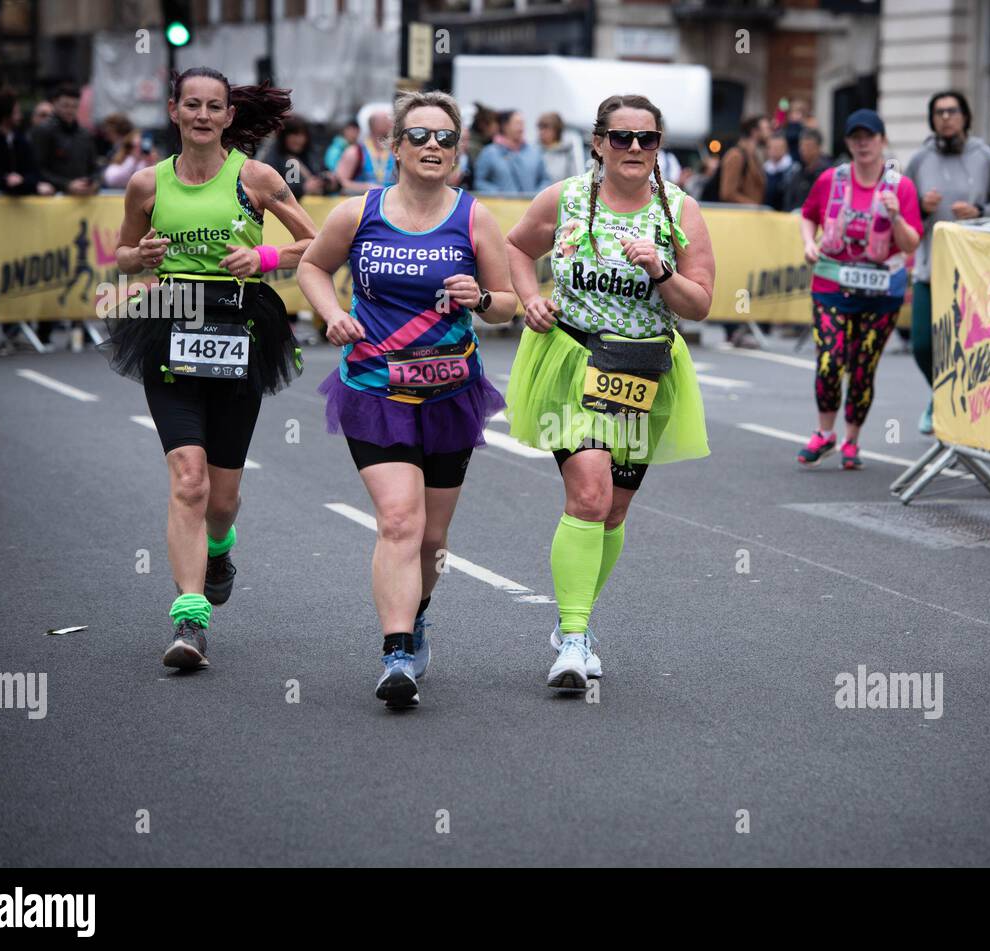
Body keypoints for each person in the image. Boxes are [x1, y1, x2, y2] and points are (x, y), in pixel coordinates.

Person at [297, 91, 513, 709]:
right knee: (399, 519)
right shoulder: (357, 212)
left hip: (450, 392)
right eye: (419, 136)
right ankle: (396, 653)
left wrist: (480, 298)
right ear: (394, 148)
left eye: (445, 138)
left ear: (459, 150)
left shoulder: (474, 218)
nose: (433, 148)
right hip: (374, 387)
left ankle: (417, 615)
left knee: (432, 536)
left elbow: (507, 306)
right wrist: (333, 313)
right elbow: (312, 266)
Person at [107, 66, 317, 670]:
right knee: (189, 479)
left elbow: (319, 241)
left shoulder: (254, 177)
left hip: (240, 329)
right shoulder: (146, 185)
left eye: (214, 106)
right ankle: (189, 619)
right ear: (174, 111)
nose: (202, 115)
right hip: (170, 325)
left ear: (229, 117)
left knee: (222, 499)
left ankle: (219, 547)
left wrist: (265, 253)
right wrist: (138, 255)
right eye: (191, 104)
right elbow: (121, 256)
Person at [503, 93, 715, 690]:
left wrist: (662, 270)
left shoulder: (680, 212)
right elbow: (517, 247)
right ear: (598, 143)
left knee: (614, 510)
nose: (634, 149)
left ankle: (578, 621)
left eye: (646, 139)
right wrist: (531, 298)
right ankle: (572, 639)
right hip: (573, 360)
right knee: (590, 496)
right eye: (621, 138)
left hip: (644, 371)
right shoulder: (566, 198)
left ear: (658, 147)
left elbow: (700, 305)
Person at [796, 109, 922, 469]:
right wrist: (808, 243)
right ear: (848, 143)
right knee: (829, 362)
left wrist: (896, 215)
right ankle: (825, 433)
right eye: (855, 137)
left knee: (863, 367)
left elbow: (911, 244)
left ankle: (852, 440)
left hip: (882, 292)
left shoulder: (901, 187)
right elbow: (808, 213)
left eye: (870, 136)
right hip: (832, 284)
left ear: (882, 141)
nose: (863, 143)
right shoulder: (830, 180)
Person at [904, 90, 990, 434]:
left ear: (965, 116)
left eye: (952, 111)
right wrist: (921, 208)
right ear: (932, 119)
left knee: (972, 349)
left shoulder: (985, 157)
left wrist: (980, 211)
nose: (946, 117)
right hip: (930, 269)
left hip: (975, 272)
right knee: (923, 343)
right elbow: (903, 214)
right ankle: (940, 394)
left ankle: (964, 412)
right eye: (939, 112)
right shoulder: (920, 160)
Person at [0, 89, 45, 196]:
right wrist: (8, 179)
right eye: (16, 112)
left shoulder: (20, 140)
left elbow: (35, 172)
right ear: (4, 115)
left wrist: (23, 180)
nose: (20, 116)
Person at [31, 84, 99, 197]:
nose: (70, 110)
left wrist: (92, 183)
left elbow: (94, 167)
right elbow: (37, 169)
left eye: (74, 106)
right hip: (52, 198)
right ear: (54, 104)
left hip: (84, 198)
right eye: (65, 105)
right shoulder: (43, 131)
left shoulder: (85, 134)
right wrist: (66, 185)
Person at [473, 109, 547, 195]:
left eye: (522, 123)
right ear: (505, 126)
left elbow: (545, 179)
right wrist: (498, 194)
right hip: (501, 206)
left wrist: (538, 195)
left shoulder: (534, 152)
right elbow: (480, 182)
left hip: (531, 205)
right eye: (517, 124)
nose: (521, 128)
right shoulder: (489, 153)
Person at [262, 114, 333, 198]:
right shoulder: (273, 159)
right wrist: (303, 189)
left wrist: (331, 182)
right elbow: (271, 194)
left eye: (303, 135)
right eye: (295, 134)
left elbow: (325, 175)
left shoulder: (311, 155)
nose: (300, 140)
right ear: (284, 136)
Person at [336, 103, 395, 193]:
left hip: (390, 203)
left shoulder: (396, 150)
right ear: (375, 124)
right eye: (388, 120)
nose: (392, 124)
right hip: (363, 203)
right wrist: (365, 187)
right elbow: (339, 182)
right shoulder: (355, 151)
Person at [719, 115, 767, 205]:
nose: (770, 132)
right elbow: (727, 193)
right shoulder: (736, 156)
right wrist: (754, 207)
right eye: (766, 128)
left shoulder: (752, 156)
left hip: (747, 216)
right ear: (754, 132)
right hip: (739, 216)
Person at [784, 126, 832, 212]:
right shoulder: (796, 173)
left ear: (818, 148)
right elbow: (788, 203)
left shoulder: (828, 174)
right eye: (801, 146)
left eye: (808, 146)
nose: (803, 149)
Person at [102, 124, 159, 190]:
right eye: (135, 146)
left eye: (140, 145)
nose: (138, 149)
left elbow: (154, 181)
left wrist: (151, 163)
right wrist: (133, 160)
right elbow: (111, 180)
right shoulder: (121, 161)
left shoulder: (148, 161)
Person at [537, 111, 583, 184]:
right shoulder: (535, 151)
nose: (542, 132)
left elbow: (575, 177)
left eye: (546, 128)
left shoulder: (567, 151)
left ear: (556, 130)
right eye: (540, 128)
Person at [762, 134, 795, 210]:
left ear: (785, 149)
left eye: (778, 148)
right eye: (772, 148)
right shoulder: (763, 170)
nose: (775, 151)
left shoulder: (794, 170)